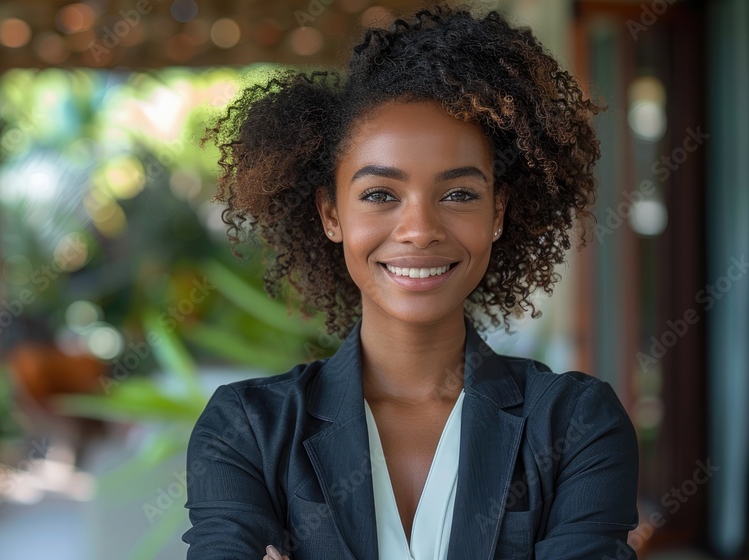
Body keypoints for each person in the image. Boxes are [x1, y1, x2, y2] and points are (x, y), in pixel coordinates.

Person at [183, 5, 639, 560]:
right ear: (331, 214)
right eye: (380, 194)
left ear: (498, 212)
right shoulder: (248, 428)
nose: (420, 230)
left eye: (459, 194)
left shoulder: (576, 423)